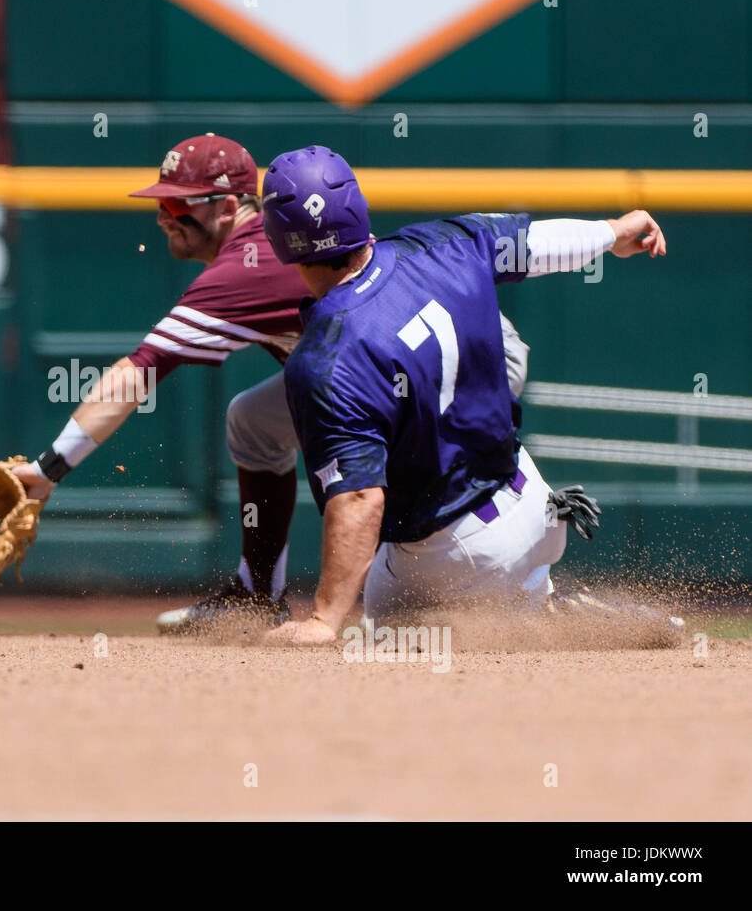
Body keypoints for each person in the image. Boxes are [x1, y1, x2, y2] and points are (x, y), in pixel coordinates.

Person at [11, 135, 530, 633]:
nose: (164, 218)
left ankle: (525, 583)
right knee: (253, 420)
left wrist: (48, 470)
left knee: (412, 524)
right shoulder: (255, 250)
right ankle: (260, 594)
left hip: (468, 358)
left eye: (178, 207)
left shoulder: (242, 269)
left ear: (227, 206)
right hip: (419, 356)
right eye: (161, 208)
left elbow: (137, 372)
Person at [252, 144, 680, 646]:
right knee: (498, 602)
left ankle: (532, 611)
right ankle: (554, 608)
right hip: (533, 503)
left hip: (449, 555)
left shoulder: (324, 357)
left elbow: (362, 498)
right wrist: (612, 232)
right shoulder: (439, 242)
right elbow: (535, 244)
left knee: (378, 641)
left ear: (282, 239)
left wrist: (324, 620)